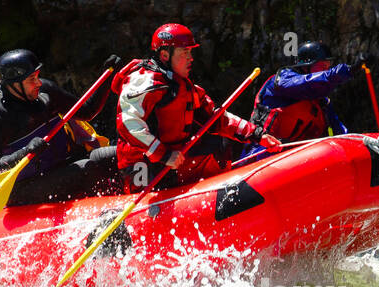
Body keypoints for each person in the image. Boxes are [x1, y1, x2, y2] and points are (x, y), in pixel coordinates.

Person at [112, 23, 281, 190]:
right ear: (164, 55)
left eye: (190, 52)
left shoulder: (183, 86)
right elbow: (128, 123)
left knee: (219, 145)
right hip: (141, 165)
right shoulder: (143, 81)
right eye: (184, 52)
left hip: (171, 159)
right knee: (209, 150)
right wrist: (162, 154)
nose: (190, 58)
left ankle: (217, 196)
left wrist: (257, 134)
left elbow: (216, 117)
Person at [0, 49, 121, 204]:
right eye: (31, 79)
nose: (38, 82)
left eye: (37, 76)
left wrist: (107, 77)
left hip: (61, 165)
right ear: (13, 84)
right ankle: (109, 210)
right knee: (86, 169)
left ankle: (136, 196)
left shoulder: (45, 91)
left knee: (118, 155)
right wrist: (25, 152)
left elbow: (87, 112)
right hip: (21, 188)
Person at [249, 42, 367, 148]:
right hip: (261, 154)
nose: (327, 69)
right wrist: (348, 70)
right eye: (323, 65)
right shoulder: (283, 81)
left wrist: (363, 144)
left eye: (328, 65)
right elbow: (308, 84)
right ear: (305, 67)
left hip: (300, 160)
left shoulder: (322, 103)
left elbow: (342, 133)